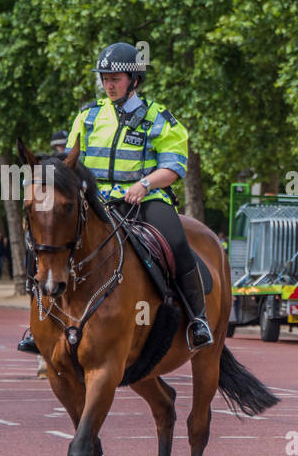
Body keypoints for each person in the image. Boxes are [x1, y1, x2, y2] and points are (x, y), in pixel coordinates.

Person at [18, 42, 205, 353]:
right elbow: (71, 162)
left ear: (134, 81)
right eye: (105, 78)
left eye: (115, 78)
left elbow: (174, 166)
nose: (109, 84)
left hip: (144, 200)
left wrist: (145, 184)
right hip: (95, 199)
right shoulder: (88, 116)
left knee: (176, 242)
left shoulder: (159, 117)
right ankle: (41, 318)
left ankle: (198, 319)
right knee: (42, 238)